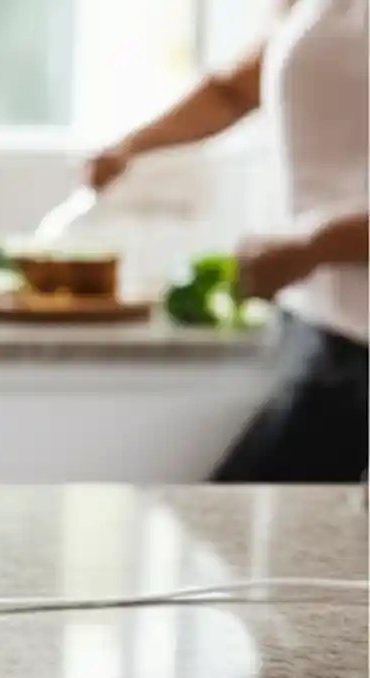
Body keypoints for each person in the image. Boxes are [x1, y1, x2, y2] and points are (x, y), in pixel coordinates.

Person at [88, 0, 368, 482]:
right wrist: (131, 147)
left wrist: (311, 247)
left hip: (353, 330)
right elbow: (237, 89)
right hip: (319, 326)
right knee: (252, 532)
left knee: (248, 533)